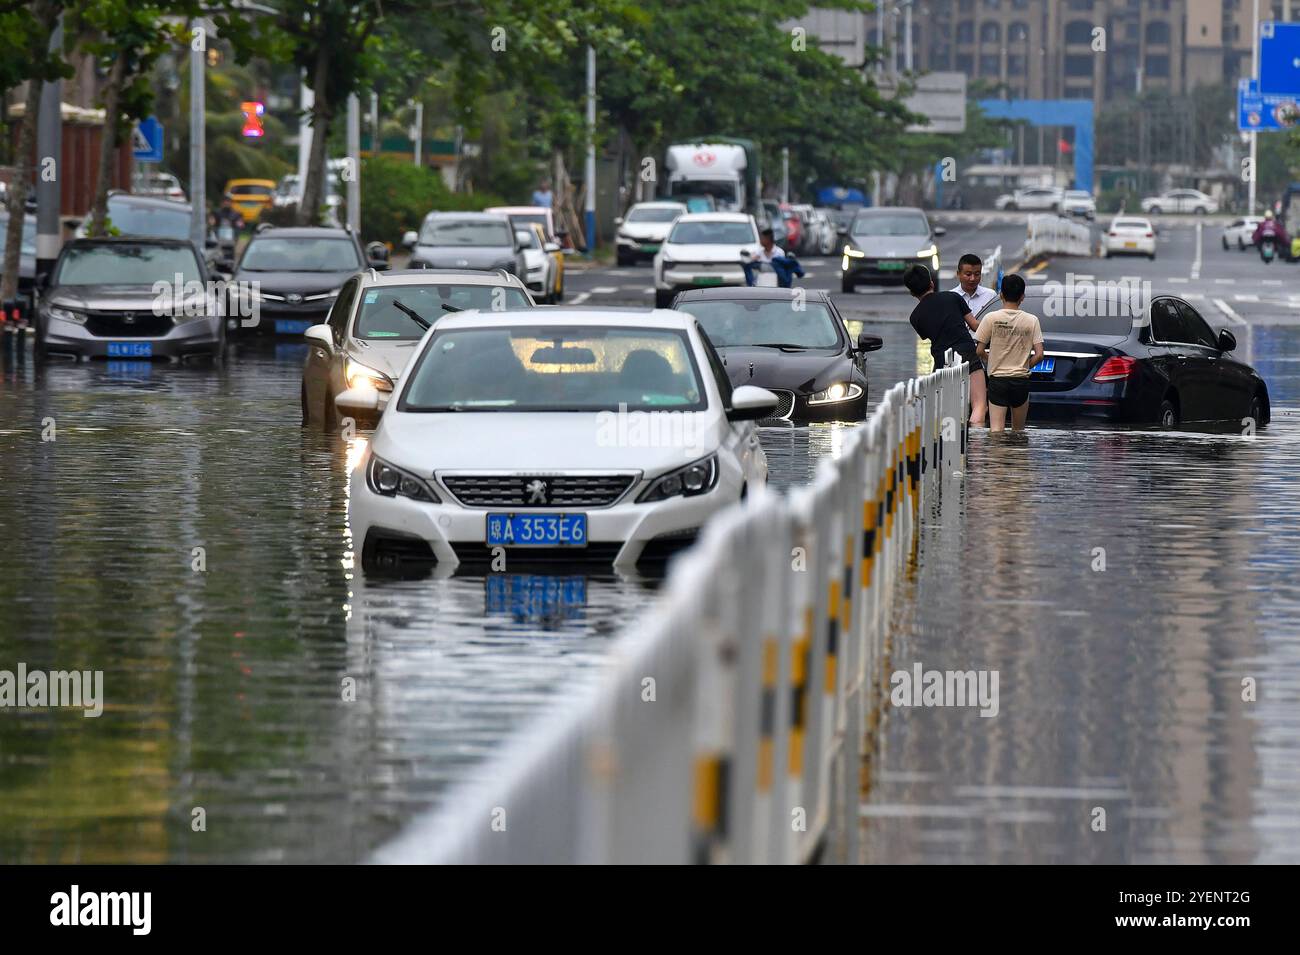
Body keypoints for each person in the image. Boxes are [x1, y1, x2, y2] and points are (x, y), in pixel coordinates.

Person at [904, 263, 987, 426]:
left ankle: (949, 445)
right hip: (967, 355)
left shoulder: (915, 317)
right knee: (979, 406)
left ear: (912, 293)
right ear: (932, 283)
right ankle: (977, 447)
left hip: (942, 361)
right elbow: (976, 326)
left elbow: (930, 335)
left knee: (947, 411)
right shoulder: (953, 297)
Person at [973, 272, 1044, 434]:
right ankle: (1018, 458)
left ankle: (998, 460)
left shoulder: (990, 318)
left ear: (1001, 295)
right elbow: (1039, 354)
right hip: (1021, 381)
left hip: (998, 381)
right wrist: (1025, 365)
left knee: (996, 432)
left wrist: (992, 361)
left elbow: (979, 350)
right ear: (1023, 297)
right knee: (1019, 432)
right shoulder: (1032, 320)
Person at [951, 253, 998, 319]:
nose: (972, 279)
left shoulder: (990, 295)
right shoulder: (950, 297)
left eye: (977, 274)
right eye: (968, 274)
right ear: (958, 274)